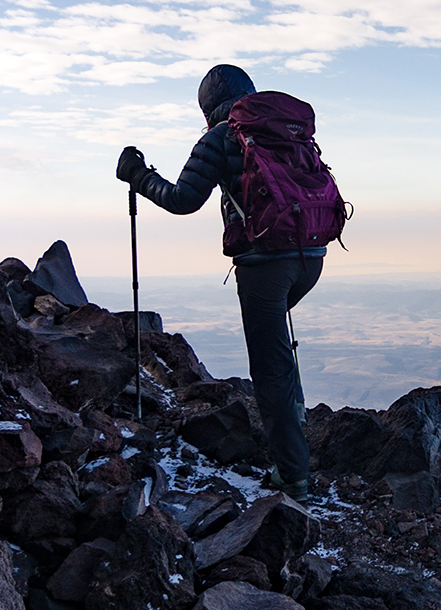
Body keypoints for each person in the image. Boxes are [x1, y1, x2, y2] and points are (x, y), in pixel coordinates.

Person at [115, 64, 325, 501]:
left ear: (207, 108)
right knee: (278, 343)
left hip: (266, 264)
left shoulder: (221, 136)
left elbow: (182, 199)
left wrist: (138, 176)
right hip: (312, 256)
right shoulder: (284, 130)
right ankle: (297, 416)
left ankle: (293, 476)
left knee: (269, 368)